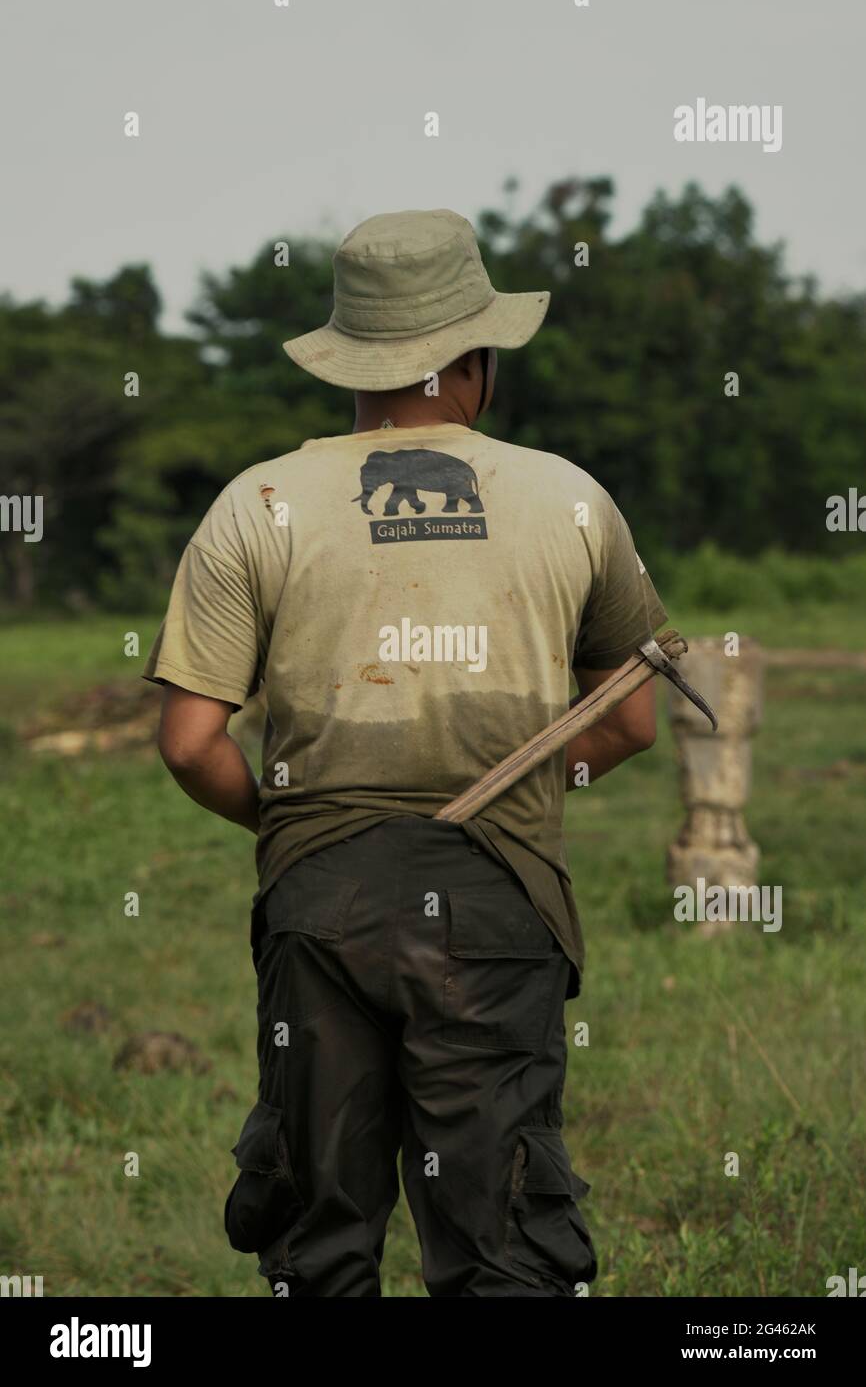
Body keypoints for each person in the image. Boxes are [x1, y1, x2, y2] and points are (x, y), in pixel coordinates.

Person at [143, 208, 667, 1297]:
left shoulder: (260, 503)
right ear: (475, 360)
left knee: (318, 1236)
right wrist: (531, 796)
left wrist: (299, 816)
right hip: (495, 901)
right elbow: (625, 717)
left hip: (317, 902)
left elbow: (191, 742)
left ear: (349, 364)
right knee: (504, 1241)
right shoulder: (570, 499)